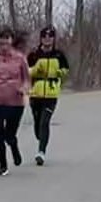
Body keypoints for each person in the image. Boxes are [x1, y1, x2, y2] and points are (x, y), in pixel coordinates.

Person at [0, 26, 30, 176]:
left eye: (6, 41)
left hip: (15, 102)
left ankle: (13, 144)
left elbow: (27, 80)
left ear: (11, 41)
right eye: (1, 42)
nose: (3, 44)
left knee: (9, 134)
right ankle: (2, 165)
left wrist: (24, 88)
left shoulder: (20, 58)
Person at [26, 27, 71, 166]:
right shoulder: (34, 54)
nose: (47, 39)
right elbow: (25, 71)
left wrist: (58, 73)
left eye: (50, 37)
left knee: (45, 122)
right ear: (41, 39)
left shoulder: (59, 55)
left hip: (51, 93)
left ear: (53, 39)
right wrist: (35, 70)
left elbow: (65, 70)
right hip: (36, 93)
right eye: (45, 37)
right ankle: (41, 138)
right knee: (38, 125)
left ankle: (41, 152)